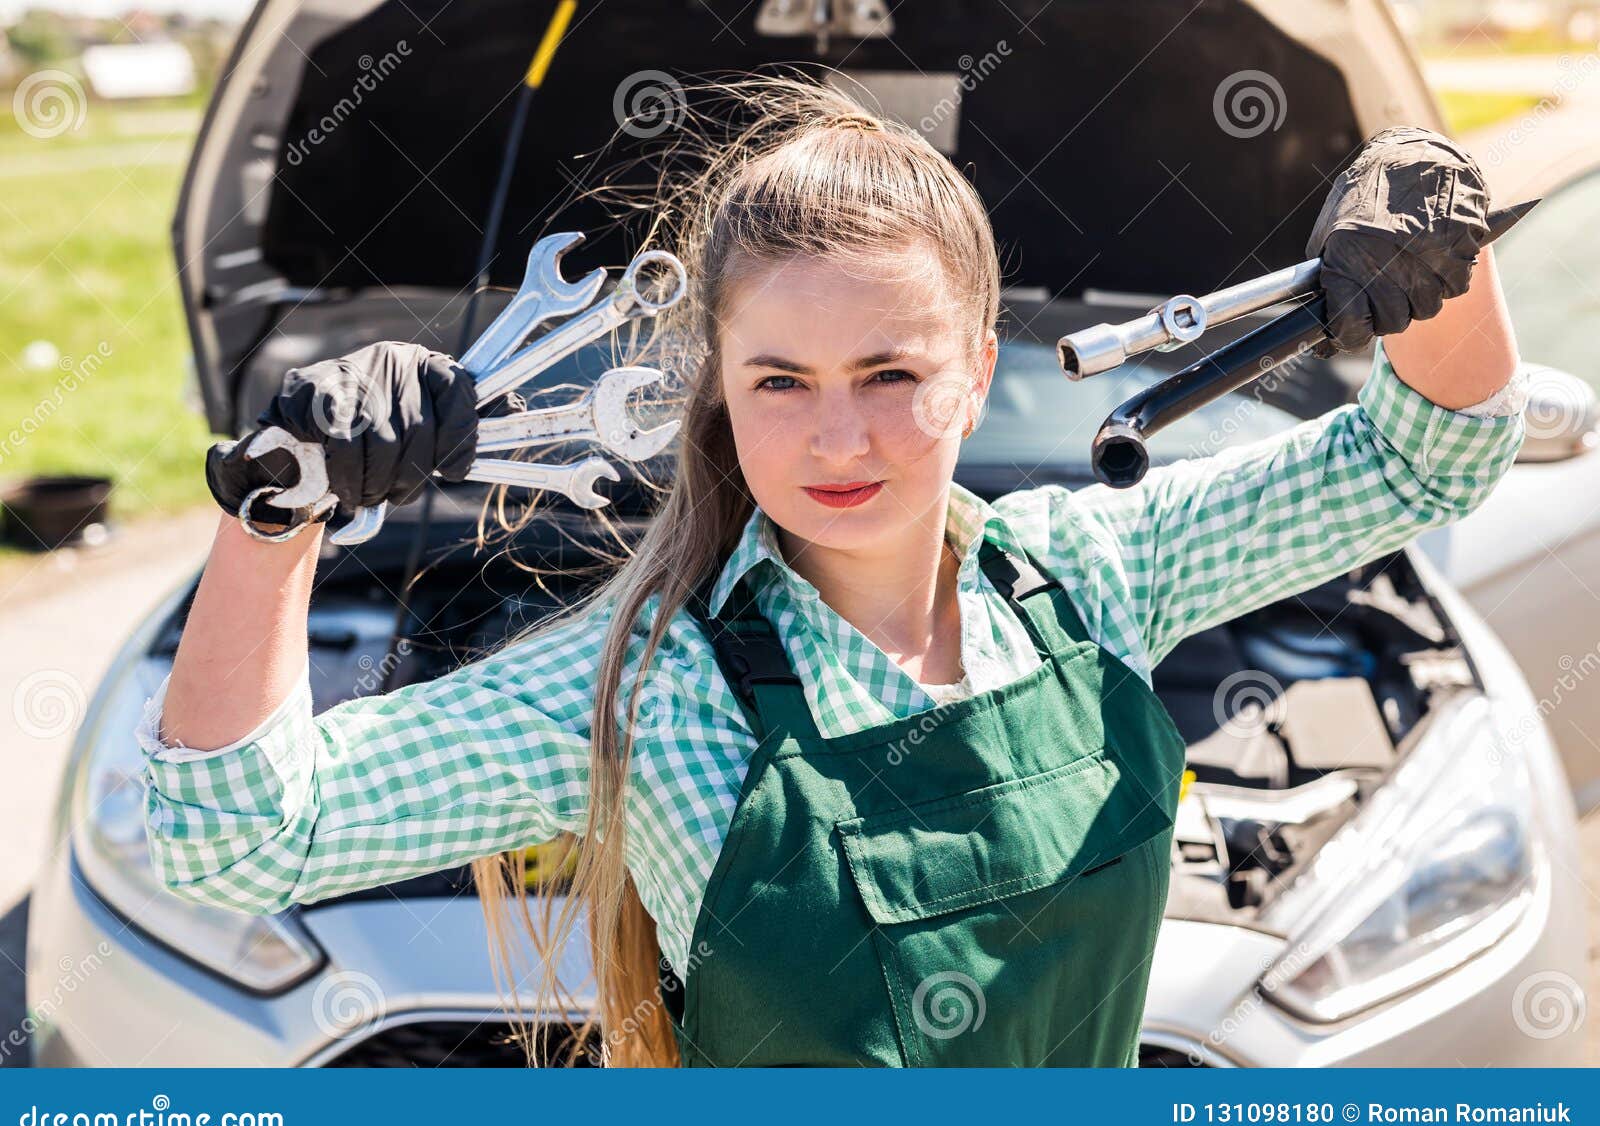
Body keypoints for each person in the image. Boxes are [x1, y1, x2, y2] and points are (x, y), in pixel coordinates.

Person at [140, 77, 1528, 1068]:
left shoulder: (1095, 575)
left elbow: (1427, 461)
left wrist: (1441, 262)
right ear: (720, 391)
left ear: (981, 370)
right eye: (783, 381)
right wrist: (278, 520)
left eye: (890, 372)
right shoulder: (647, 688)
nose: (838, 435)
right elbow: (234, 836)